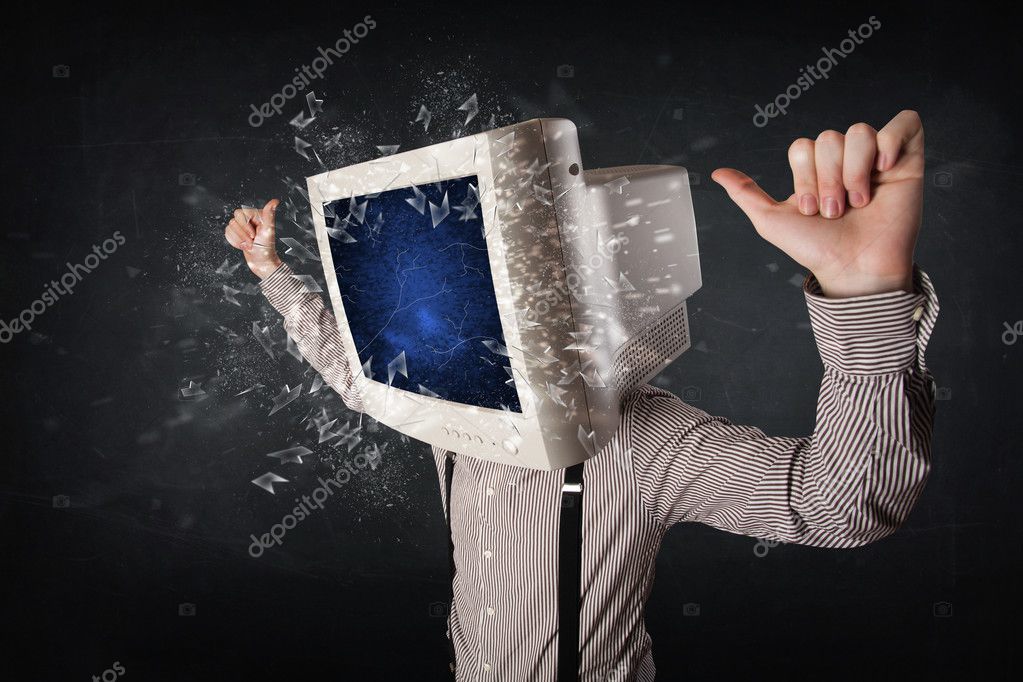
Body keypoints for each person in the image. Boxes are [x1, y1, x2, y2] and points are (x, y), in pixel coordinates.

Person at [224, 110, 938, 681]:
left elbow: (841, 504)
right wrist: (271, 271)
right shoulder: (446, 398)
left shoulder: (645, 443)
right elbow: (357, 379)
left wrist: (863, 291)